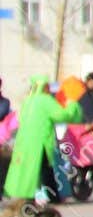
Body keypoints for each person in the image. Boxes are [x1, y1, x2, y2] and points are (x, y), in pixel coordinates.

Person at [2, 77, 83, 209]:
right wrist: (72, 104)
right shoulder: (46, 100)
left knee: (30, 170)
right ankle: (49, 197)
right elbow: (62, 115)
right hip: (40, 143)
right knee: (44, 170)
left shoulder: (28, 101)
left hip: (24, 142)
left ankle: (29, 197)